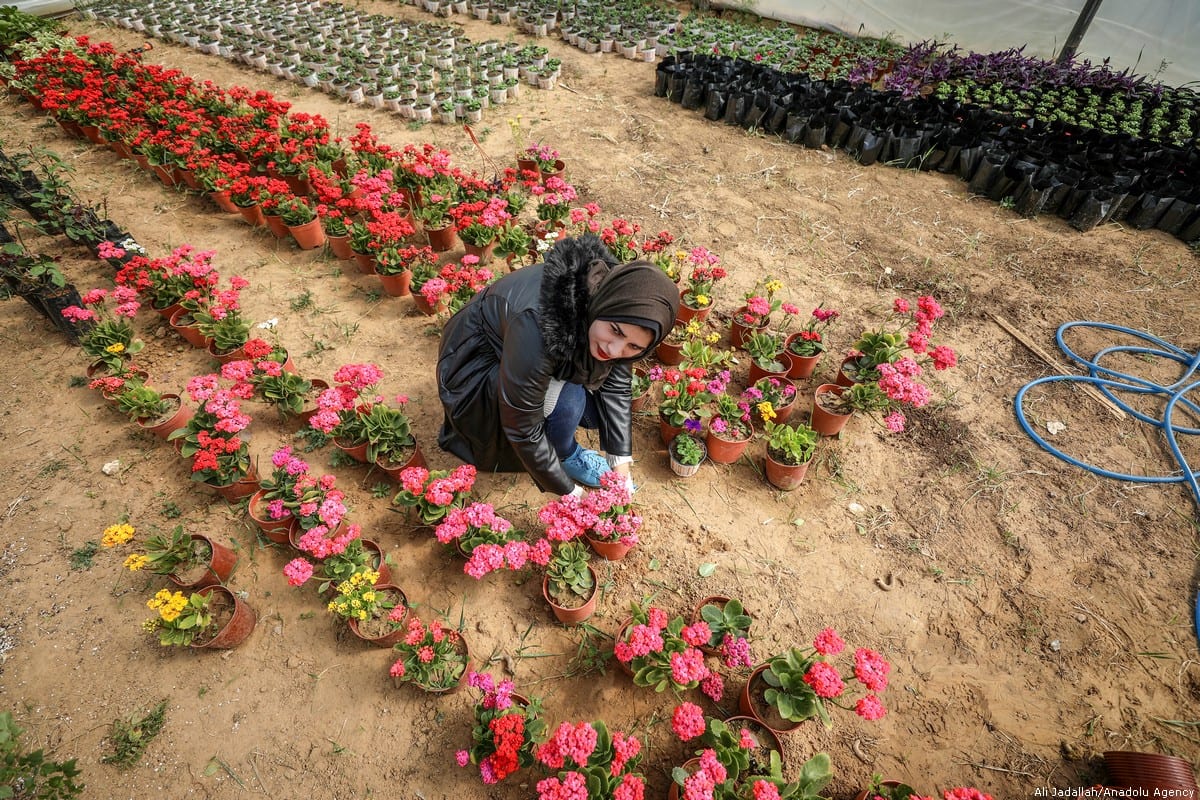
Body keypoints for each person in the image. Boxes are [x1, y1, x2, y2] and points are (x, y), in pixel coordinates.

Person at [437, 233, 680, 497]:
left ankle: (560, 440)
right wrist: (570, 492)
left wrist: (620, 465)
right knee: (569, 402)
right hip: (482, 360)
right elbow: (523, 427)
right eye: (615, 331)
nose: (615, 350)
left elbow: (618, 384)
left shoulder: (615, 302)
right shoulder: (538, 324)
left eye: (634, 347)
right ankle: (566, 453)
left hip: (530, 349)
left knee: (597, 408)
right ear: (606, 306)